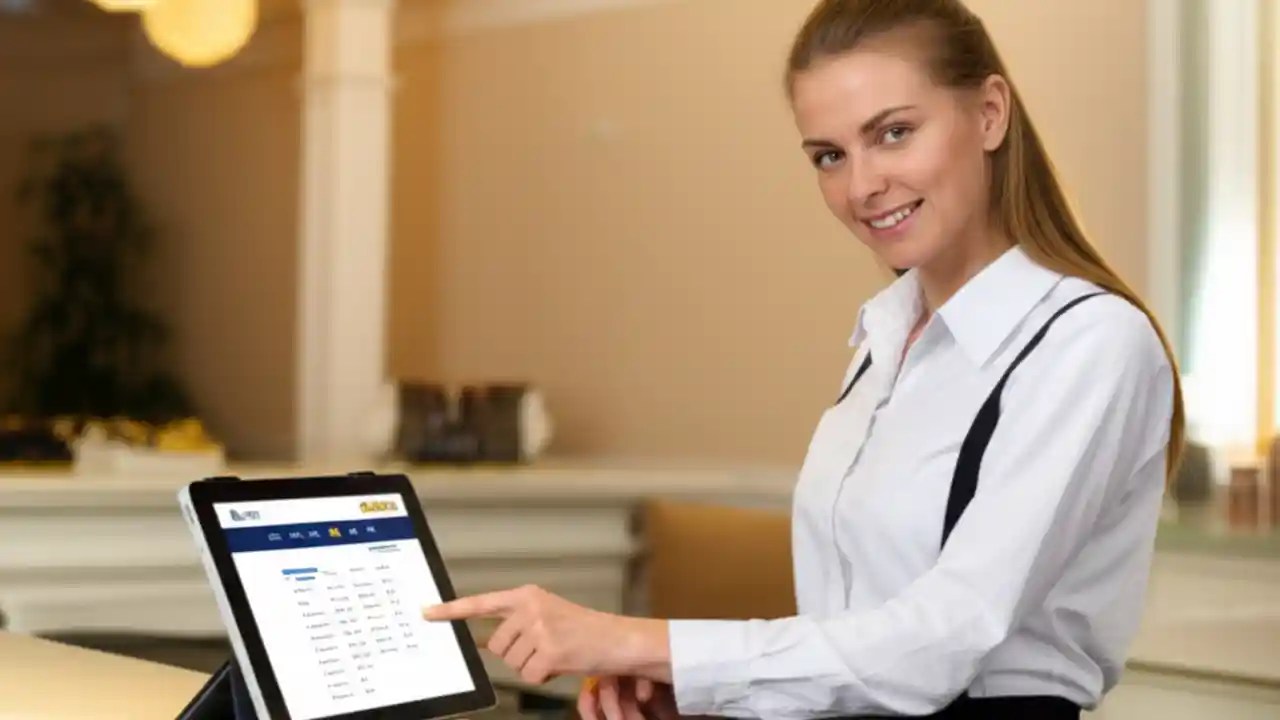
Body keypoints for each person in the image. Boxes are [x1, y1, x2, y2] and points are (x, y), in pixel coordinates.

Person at [422, 0, 1185, 717]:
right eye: (828, 155)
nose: (862, 185)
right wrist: (698, 690)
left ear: (989, 113)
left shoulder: (1091, 344)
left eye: (893, 133)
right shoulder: (886, 342)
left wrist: (640, 641)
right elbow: (860, 635)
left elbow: (946, 637)